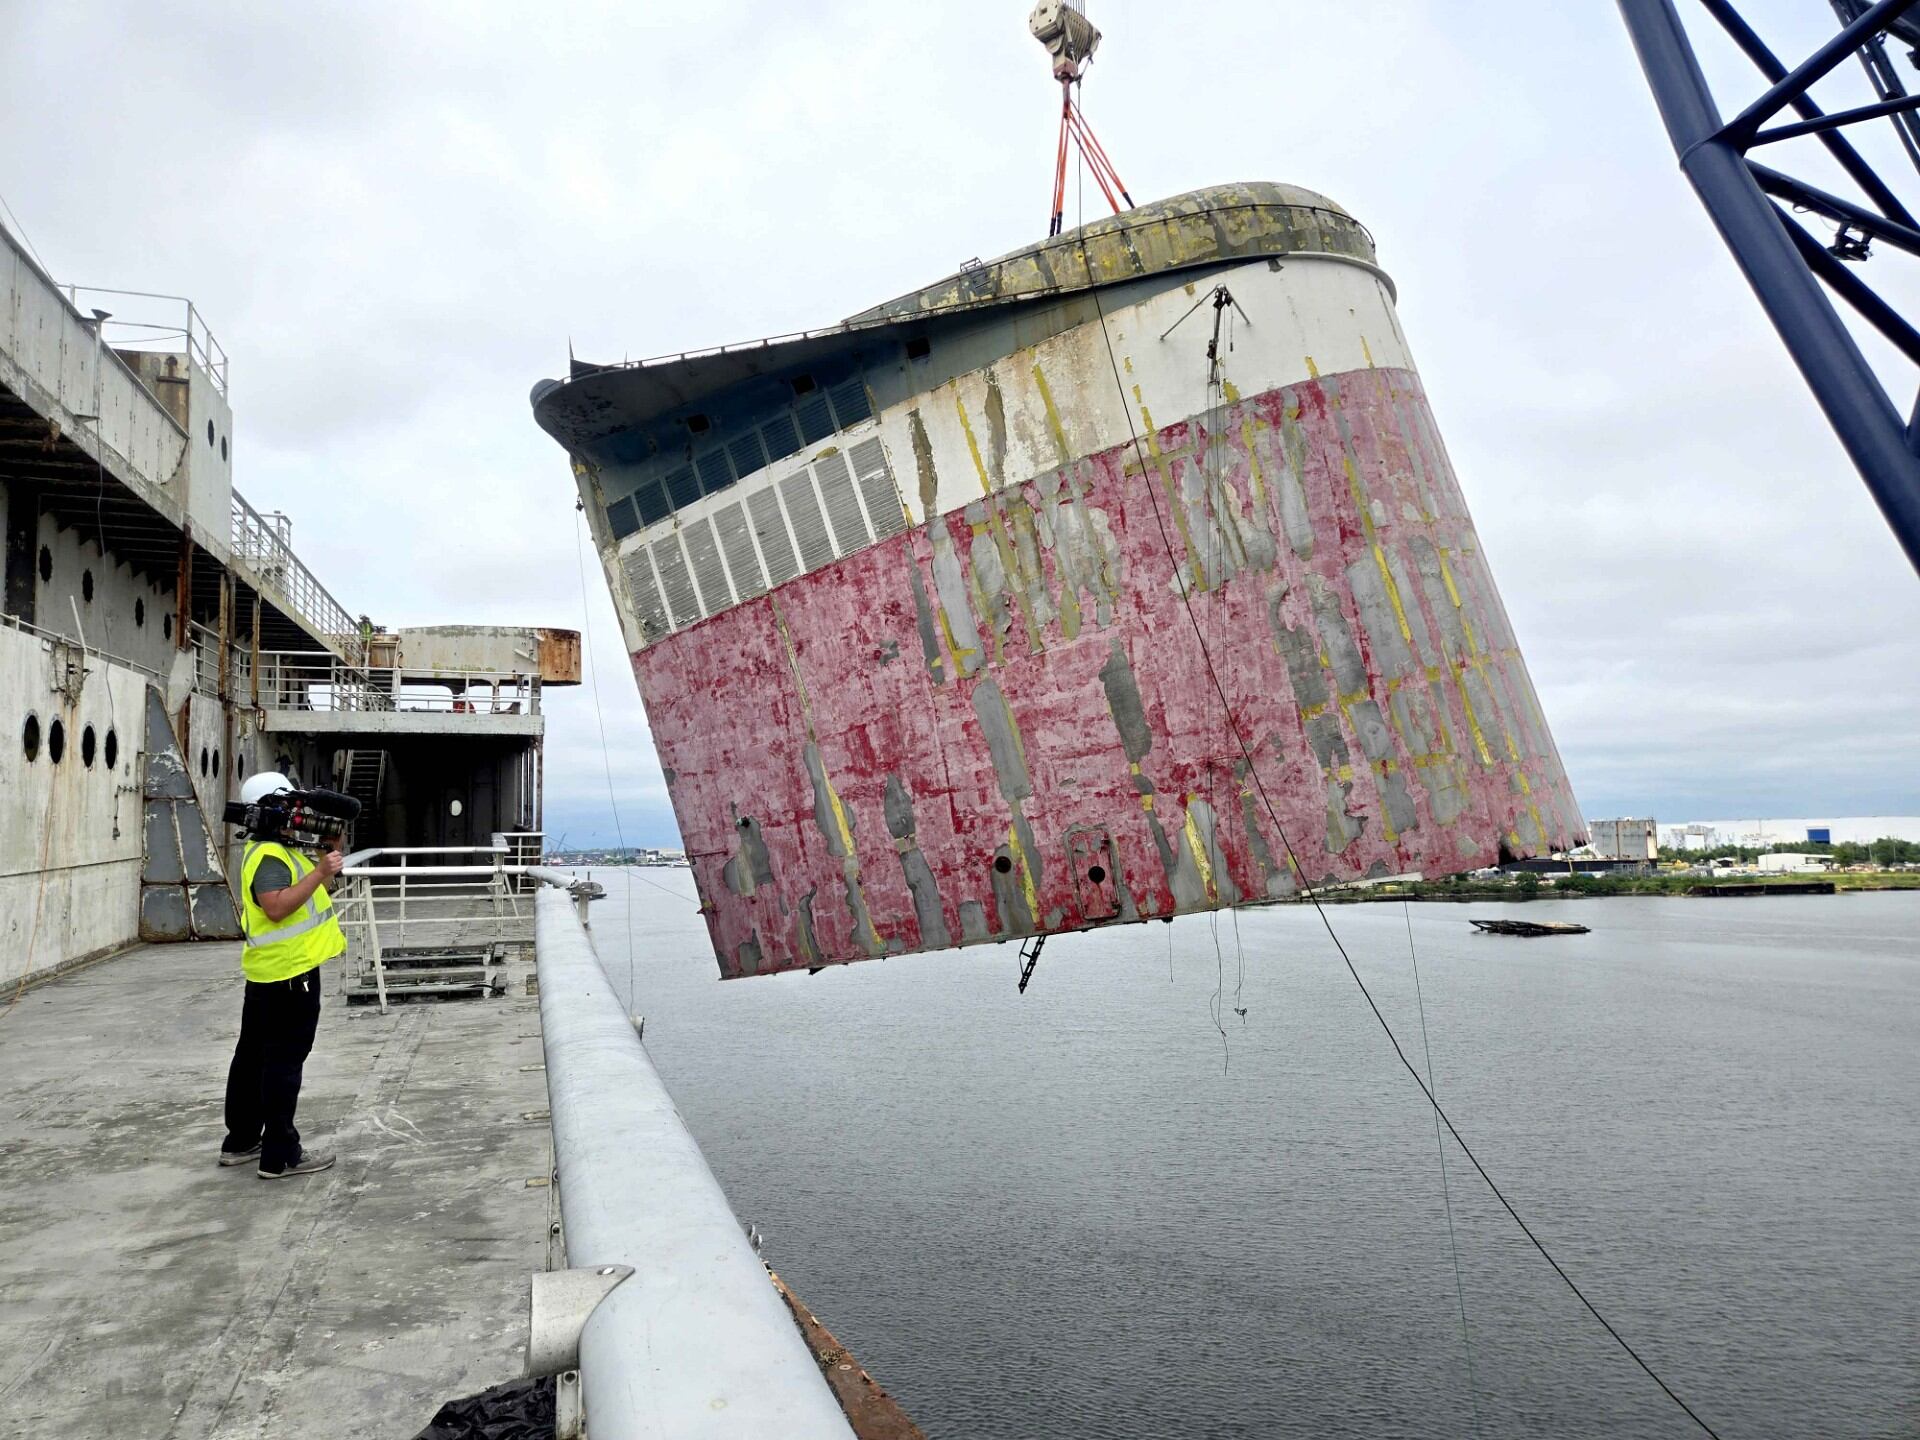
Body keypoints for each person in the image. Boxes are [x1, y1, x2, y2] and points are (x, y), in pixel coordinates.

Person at [217, 772, 347, 1178]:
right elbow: (275, 905)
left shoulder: (272, 849)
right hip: (292, 975)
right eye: (291, 806)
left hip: (269, 973)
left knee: (253, 1058)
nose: (298, 814)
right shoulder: (270, 856)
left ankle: (241, 1141)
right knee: (283, 1063)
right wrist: (320, 872)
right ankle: (281, 1155)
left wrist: (328, 849)